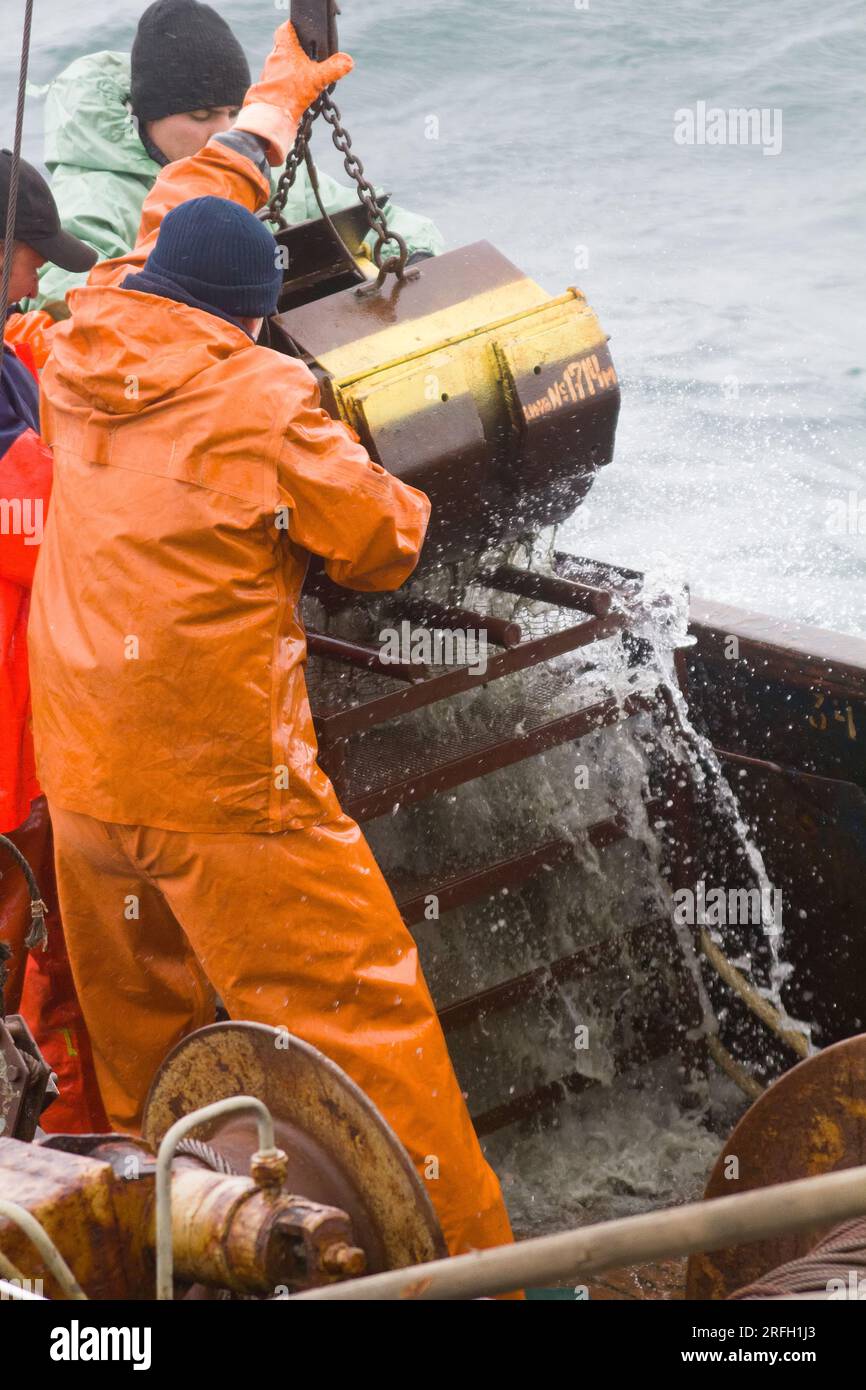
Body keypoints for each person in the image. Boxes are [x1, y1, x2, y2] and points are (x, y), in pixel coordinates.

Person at [28, 21, 518, 1279]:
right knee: (364, 1031)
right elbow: (383, 542)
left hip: (82, 787)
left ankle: (167, 1267)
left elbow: (213, 174)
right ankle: (470, 1275)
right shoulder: (255, 398)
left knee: (151, 1065)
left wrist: (289, 72)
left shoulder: (84, 327)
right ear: (249, 324)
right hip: (229, 792)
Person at [34, 0, 443, 314]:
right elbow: (65, 299)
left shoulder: (268, 169)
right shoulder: (93, 194)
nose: (222, 132)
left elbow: (388, 224)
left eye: (234, 113)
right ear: (144, 117)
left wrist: (413, 256)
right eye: (200, 116)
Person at [0, 150, 108, 1131]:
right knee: (33, 953)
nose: (38, 280)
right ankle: (52, 1152)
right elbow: (36, 530)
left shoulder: (9, 361)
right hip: (9, 768)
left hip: (29, 747)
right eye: (31, 260)